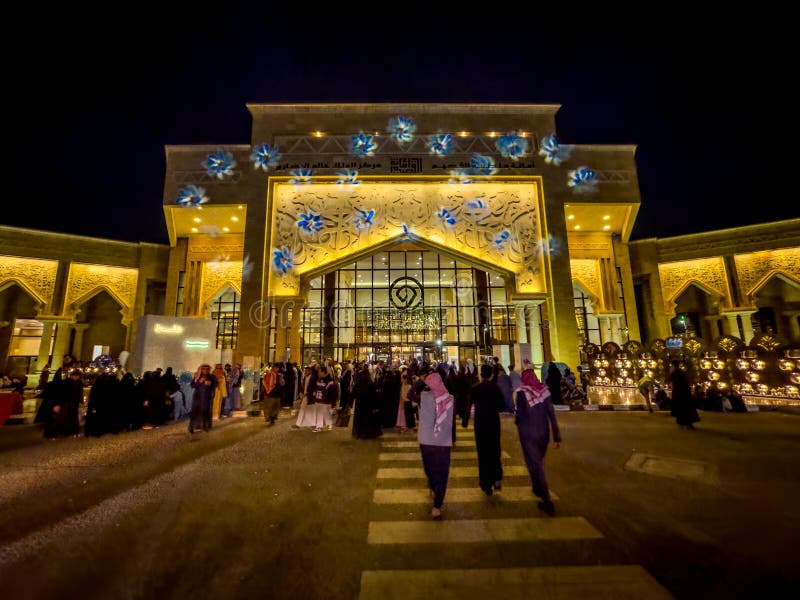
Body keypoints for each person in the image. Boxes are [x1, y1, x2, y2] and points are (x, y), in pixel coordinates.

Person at [514, 367, 561, 515]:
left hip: (528, 434)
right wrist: (556, 436)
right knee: (537, 462)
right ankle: (537, 488)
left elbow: (519, 415)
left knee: (536, 465)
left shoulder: (522, 393)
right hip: (544, 434)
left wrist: (518, 424)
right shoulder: (544, 392)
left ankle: (547, 500)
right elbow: (552, 415)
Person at [418, 370, 455, 519]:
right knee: (442, 473)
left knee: (430, 469)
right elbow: (452, 421)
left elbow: (409, 394)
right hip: (443, 441)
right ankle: (437, 505)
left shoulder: (423, 396)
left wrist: (422, 380)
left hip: (426, 441)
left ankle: (434, 488)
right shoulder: (450, 398)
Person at [471, 364, 506, 496]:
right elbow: (502, 406)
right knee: (495, 451)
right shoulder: (495, 388)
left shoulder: (476, 388)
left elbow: (470, 403)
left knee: (483, 453)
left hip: (480, 424)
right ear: (491, 374)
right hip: (493, 423)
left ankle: (486, 484)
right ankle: (497, 479)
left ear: (481, 374)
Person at [668, 360, 700, 429]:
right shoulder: (681, 372)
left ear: (673, 366)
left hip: (678, 392)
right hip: (685, 392)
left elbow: (673, 384)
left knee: (680, 407)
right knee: (687, 407)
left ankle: (682, 423)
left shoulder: (674, 373)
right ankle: (688, 423)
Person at [189, 364, 216, 433]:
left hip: (207, 397)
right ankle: (194, 427)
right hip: (198, 397)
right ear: (201, 370)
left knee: (206, 411)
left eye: (207, 369)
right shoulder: (197, 376)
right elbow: (193, 385)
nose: (206, 370)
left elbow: (215, 384)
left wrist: (211, 383)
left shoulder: (212, 377)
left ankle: (205, 426)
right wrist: (199, 382)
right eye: (204, 369)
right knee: (196, 411)